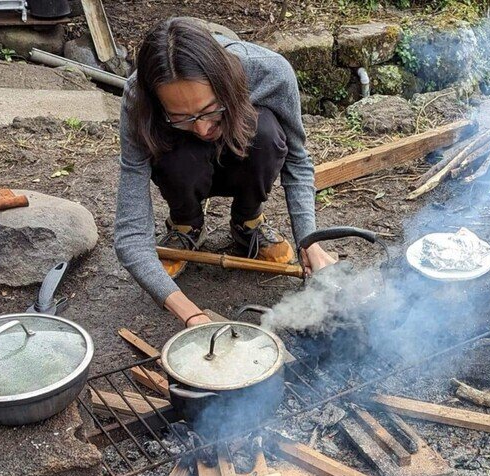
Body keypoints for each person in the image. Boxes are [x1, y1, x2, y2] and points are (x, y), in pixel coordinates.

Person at [114, 18, 336, 328]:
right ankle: (186, 224)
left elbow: (298, 162)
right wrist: (190, 313)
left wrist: (310, 241)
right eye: (181, 117)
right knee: (170, 148)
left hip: (243, 154)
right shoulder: (139, 97)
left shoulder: (269, 72)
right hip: (182, 166)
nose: (202, 128)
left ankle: (247, 222)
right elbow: (130, 237)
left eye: (209, 110)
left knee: (266, 133)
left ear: (226, 83)